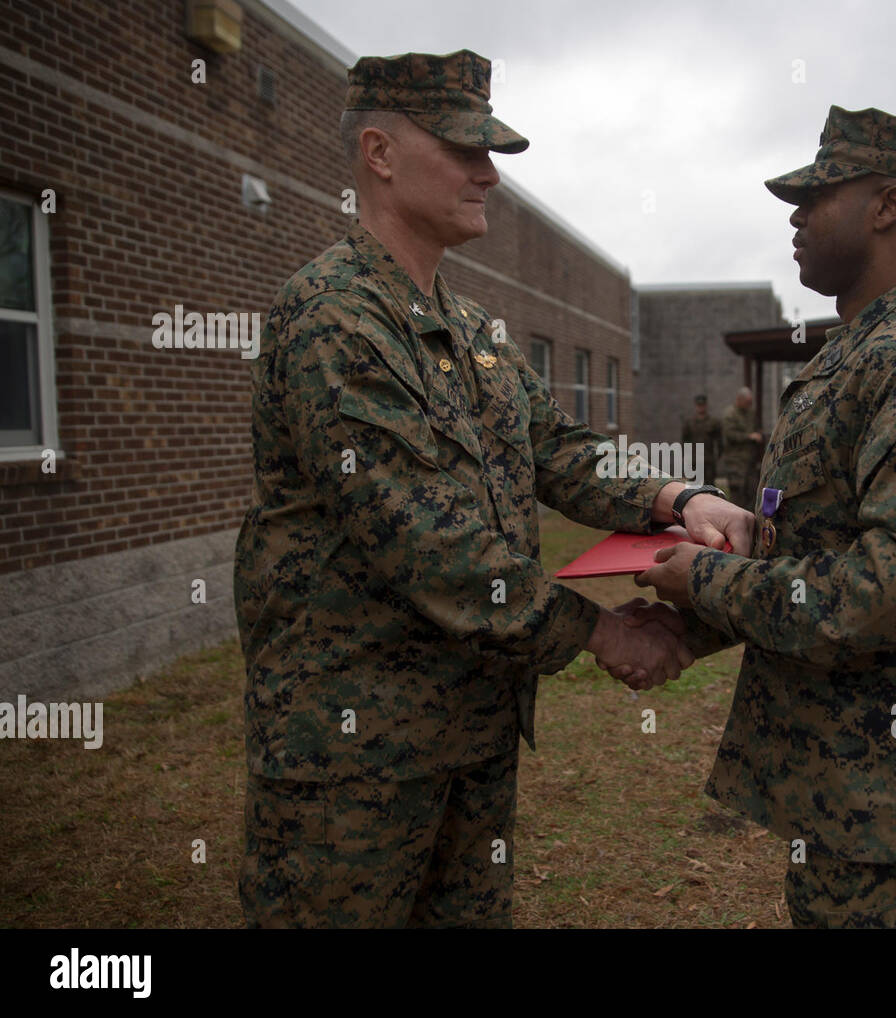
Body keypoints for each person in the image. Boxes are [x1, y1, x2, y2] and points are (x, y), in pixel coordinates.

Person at [232, 50, 752, 929]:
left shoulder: (471, 330)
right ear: (380, 153)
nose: (489, 174)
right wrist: (598, 633)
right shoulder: (333, 318)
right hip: (351, 753)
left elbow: (561, 450)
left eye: (493, 152)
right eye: (465, 149)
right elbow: (426, 544)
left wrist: (677, 501)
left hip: (469, 734)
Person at [628, 106, 896, 928]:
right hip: (844, 785)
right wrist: (700, 607)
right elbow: (818, 556)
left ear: (885, 206)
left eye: (816, 197)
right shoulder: (854, 354)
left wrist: (714, 582)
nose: (796, 217)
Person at [717, 387, 764, 505]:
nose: (749, 405)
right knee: (737, 493)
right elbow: (730, 435)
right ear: (739, 399)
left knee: (753, 492)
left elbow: (757, 428)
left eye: (750, 403)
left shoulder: (750, 413)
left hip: (750, 461)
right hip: (736, 462)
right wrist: (749, 436)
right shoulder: (730, 414)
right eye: (747, 402)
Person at [681, 394, 723, 485]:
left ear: (706, 406)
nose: (701, 408)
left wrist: (717, 457)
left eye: (702, 405)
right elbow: (685, 441)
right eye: (699, 405)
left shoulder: (713, 422)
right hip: (694, 461)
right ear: (696, 406)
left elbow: (719, 441)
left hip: (708, 460)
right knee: (693, 487)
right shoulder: (689, 423)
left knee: (709, 487)